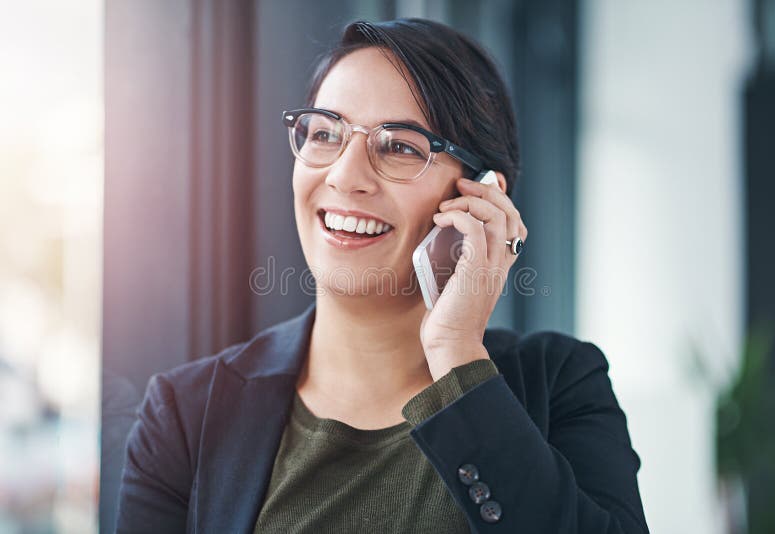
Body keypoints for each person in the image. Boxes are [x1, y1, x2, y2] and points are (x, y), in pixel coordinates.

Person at [115, 18, 649, 533]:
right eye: (325, 133)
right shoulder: (184, 416)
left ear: (482, 197)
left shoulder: (562, 384)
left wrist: (456, 355)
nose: (346, 175)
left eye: (399, 145)